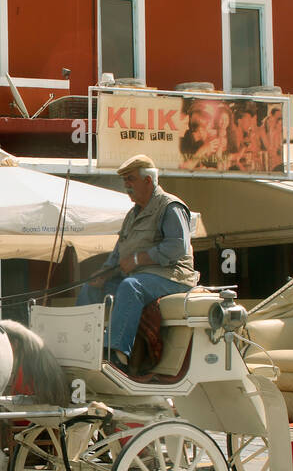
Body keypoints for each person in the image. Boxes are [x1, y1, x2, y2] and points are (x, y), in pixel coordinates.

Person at [77, 154, 200, 369]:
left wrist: (138, 259)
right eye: (125, 180)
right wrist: (104, 274)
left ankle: (116, 355)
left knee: (130, 286)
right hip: (140, 278)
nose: (126, 185)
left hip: (173, 277)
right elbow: (118, 253)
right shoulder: (132, 215)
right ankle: (81, 346)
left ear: (148, 181)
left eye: (130, 179)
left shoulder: (170, 207)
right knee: (90, 288)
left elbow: (177, 247)